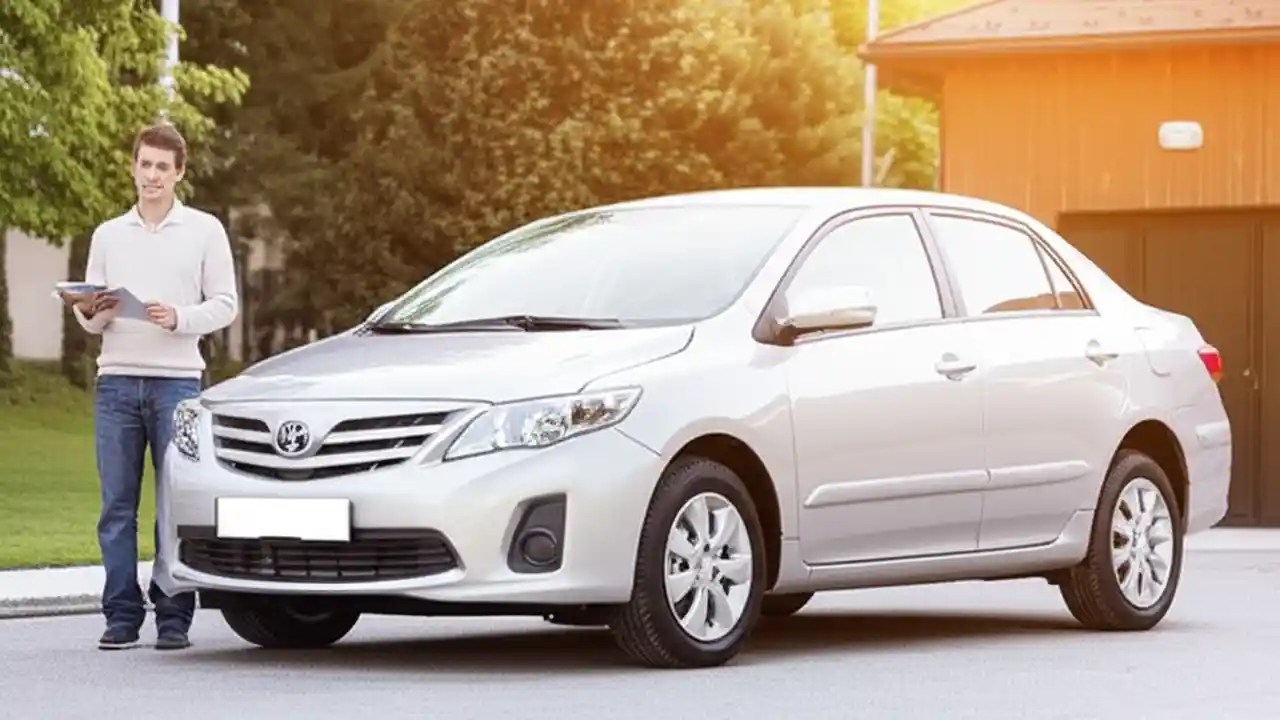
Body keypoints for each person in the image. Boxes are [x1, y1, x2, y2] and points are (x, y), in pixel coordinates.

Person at [59, 122, 239, 651]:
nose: (153, 175)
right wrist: (90, 309)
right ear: (133, 168)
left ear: (179, 173)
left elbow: (226, 304)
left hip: (177, 386)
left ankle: (173, 615)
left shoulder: (205, 230)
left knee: (173, 505)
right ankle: (120, 614)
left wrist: (179, 317)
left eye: (163, 167)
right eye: (145, 165)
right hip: (116, 383)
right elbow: (93, 321)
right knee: (117, 507)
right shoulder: (109, 235)